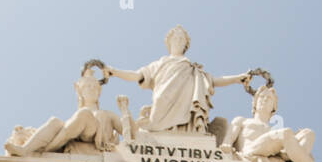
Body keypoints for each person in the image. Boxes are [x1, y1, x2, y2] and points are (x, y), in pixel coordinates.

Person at [104, 26, 247, 134]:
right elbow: (136, 75)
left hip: (185, 108)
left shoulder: (193, 68)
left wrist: (237, 79)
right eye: (175, 38)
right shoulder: (160, 63)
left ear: (186, 45)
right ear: (169, 42)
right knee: (156, 118)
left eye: (181, 39)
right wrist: (115, 72)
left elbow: (213, 81)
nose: (178, 41)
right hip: (162, 100)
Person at [227, 84, 322, 162]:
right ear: (255, 103)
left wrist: (294, 141)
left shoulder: (273, 130)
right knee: (285, 133)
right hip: (250, 152)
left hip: (275, 153)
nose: (264, 100)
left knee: (308, 133)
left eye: (269, 98)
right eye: (261, 97)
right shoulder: (242, 121)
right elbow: (228, 141)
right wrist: (226, 145)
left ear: (274, 107)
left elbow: (282, 148)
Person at [4, 67, 122, 156]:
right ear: (80, 92)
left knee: (85, 113)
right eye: (87, 86)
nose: (91, 90)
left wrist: (125, 112)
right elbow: (70, 125)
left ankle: (46, 150)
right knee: (55, 121)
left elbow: (130, 133)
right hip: (77, 133)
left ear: (99, 92)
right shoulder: (78, 114)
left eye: (94, 87)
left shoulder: (108, 114)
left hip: (95, 137)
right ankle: (25, 149)